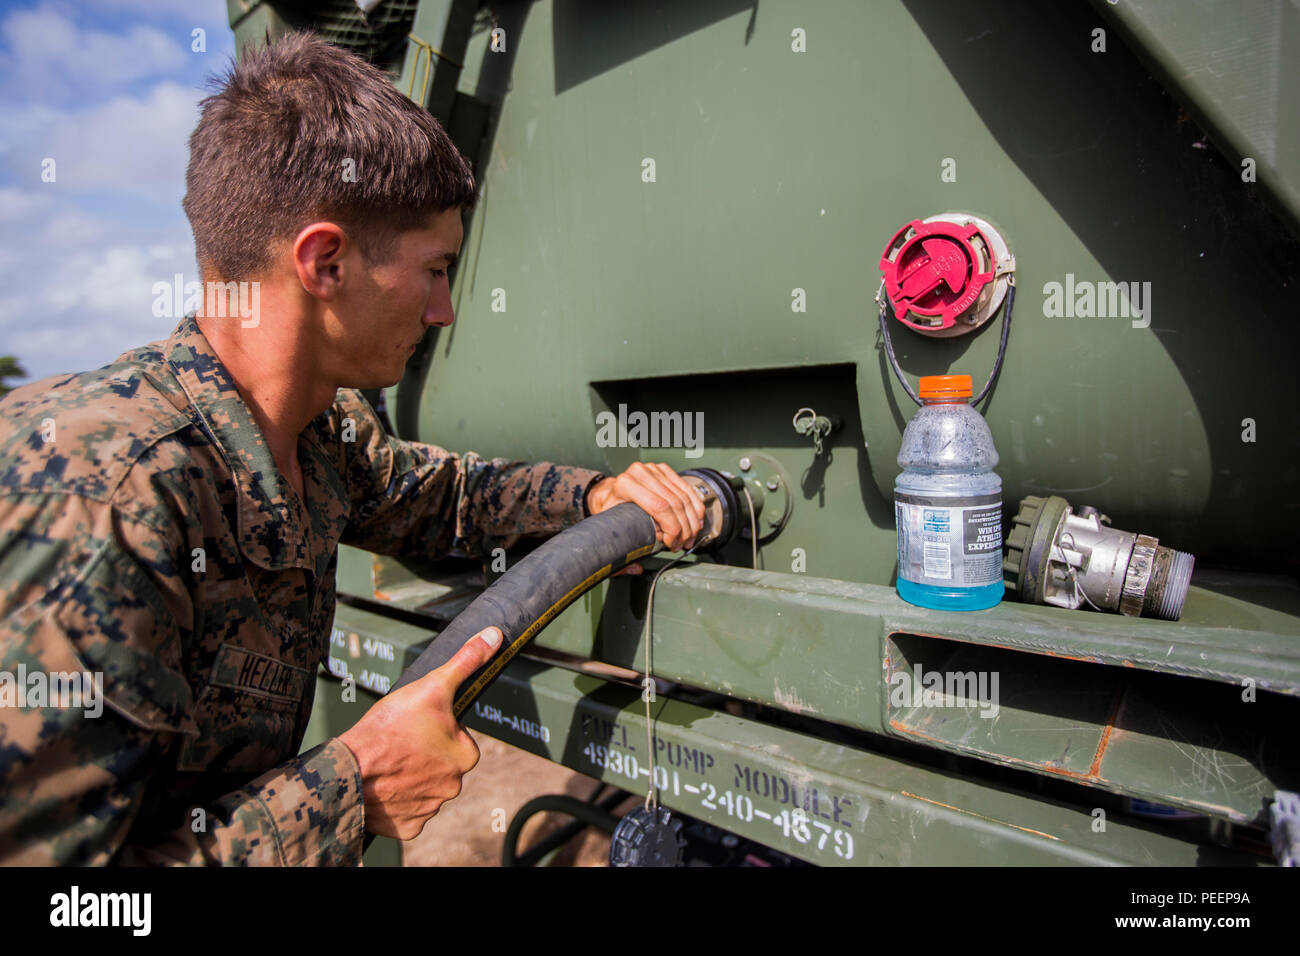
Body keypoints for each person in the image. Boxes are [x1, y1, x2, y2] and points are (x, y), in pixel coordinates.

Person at [0, 33, 704, 865]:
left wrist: (593, 500)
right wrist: (348, 789)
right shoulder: (104, 500)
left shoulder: (318, 436)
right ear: (325, 263)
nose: (444, 311)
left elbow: (446, 500)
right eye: (436, 270)